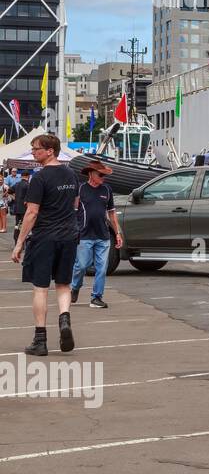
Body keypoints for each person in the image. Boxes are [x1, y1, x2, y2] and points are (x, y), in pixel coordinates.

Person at [13, 135, 81, 357]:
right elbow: (75, 204)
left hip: (45, 237)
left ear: (50, 151)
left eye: (36, 149)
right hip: (69, 236)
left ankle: (40, 340)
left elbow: (32, 212)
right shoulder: (71, 175)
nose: (33, 152)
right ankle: (64, 320)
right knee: (63, 284)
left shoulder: (39, 178)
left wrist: (20, 242)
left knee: (41, 288)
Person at [70, 160, 122, 308]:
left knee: (102, 268)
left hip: (103, 236)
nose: (103, 178)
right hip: (84, 235)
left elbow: (112, 214)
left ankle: (96, 297)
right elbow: (72, 211)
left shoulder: (107, 190)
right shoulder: (80, 190)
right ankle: (75, 287)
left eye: (104, 175)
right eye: (101, 175)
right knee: (81, 265)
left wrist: (117, 233)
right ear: (91, 174)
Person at [11, 169, 30, 245]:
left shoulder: (17, 184)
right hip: (24, 209)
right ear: (28, 176)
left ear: (21, 176)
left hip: (17, 208)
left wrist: (14, 197)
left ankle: (16, 241)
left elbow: (9, 191)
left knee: (17, 225)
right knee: (23, 226)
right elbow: (29, 197)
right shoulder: (28, 185)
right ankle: (21, 243)